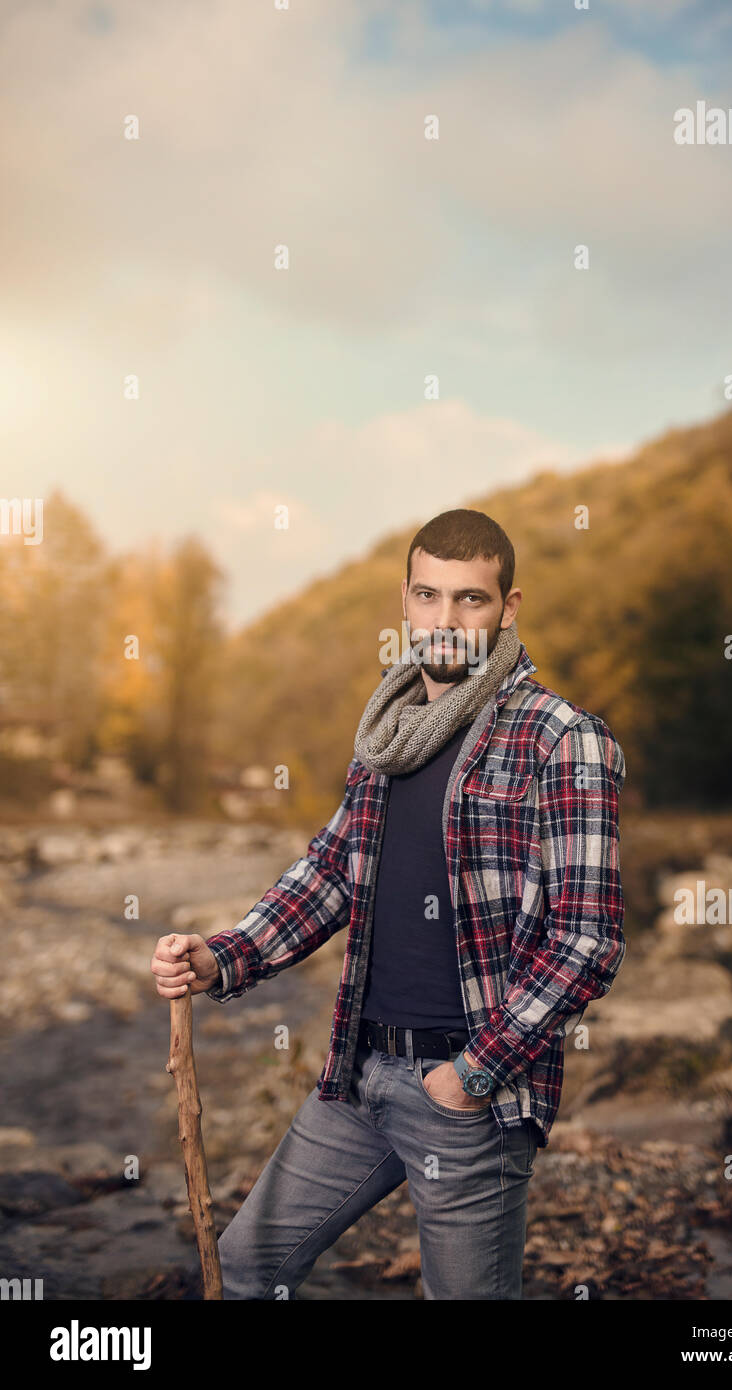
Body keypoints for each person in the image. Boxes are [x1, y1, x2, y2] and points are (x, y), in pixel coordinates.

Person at [151, 507, 626, 1299]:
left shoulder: (560, 739)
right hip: (358, 1073)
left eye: (470, 599)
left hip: (470, 1094)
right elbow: (334, 871)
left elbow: (588, 940)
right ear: (404, 601)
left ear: (508, 608)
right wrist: (222, 955)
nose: (446, 619)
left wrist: (475, 1073)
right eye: (429, 596)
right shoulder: (387, 731)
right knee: (240, 1271)